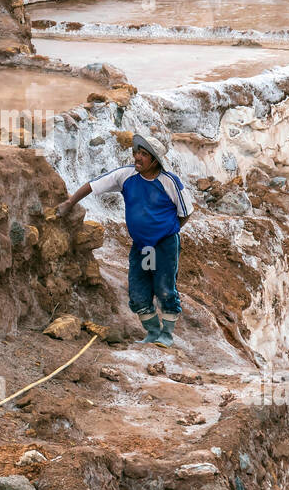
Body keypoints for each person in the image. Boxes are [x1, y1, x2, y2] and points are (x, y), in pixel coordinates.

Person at [56, 133, 194, 347]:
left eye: (144, 154)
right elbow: (94, 185)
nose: (137, 157)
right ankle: (152, 332)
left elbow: (185, 213)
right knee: (139, 289)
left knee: (164, 287)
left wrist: (168, 231)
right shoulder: (126, 175)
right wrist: (70, 203)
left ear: (155, 161)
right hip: (142, 246)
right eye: (136, 152)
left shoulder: (169, 182)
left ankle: (166, 335)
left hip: (164, 246)